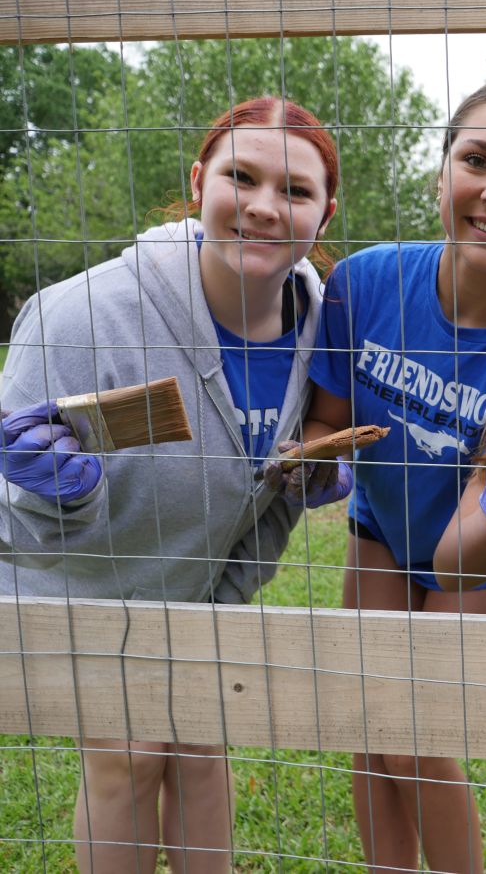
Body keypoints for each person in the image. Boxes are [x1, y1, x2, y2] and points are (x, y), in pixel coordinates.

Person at [0, 97, 342, 872]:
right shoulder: (75, 318)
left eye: (293, 190)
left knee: (197, 741)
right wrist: (50, 492)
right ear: (197, 183)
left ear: (325, 214)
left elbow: (266, 486)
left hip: (196, 591)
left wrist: (301, 484)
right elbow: (11, 525)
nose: (261, 206)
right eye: (240, 177)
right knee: (129, 752)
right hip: (75, 586)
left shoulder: (324, 329)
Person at [306, 79, 486, 873]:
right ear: (441, 176)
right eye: (477, 159)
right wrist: (313, 462)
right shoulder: (363, 283)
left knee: (418, 733)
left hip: (477, 544)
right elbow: (327, 423)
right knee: (366, 725)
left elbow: (452, 559)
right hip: (381, 520)